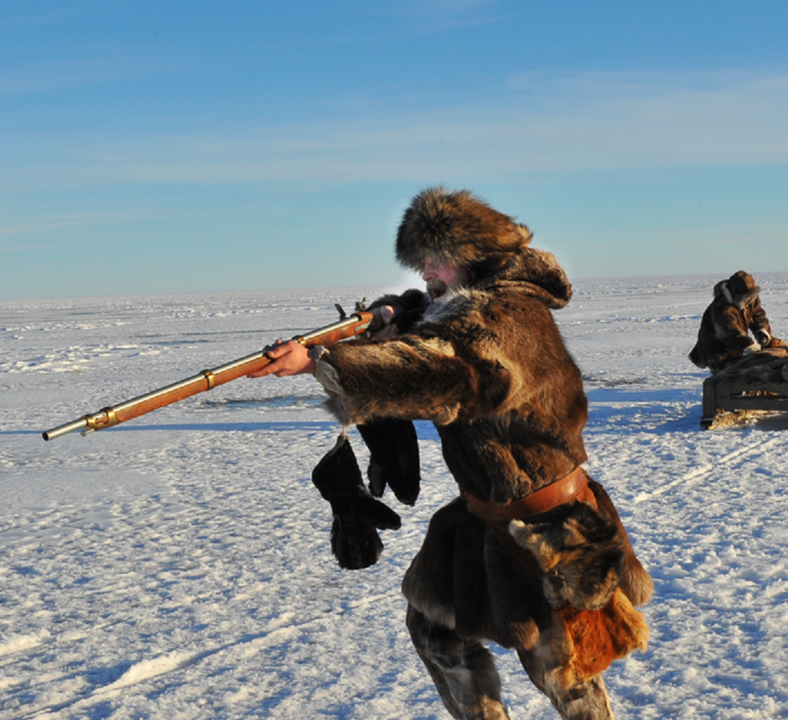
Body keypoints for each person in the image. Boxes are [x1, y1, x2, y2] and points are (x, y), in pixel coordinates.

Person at [251, 187, 652, 719]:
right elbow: (434, 328)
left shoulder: (504, 318)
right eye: (421, 263)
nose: (425, 272)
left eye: (434, 261)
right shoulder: (468, 310)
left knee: (558, 666)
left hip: (547, 527)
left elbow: (442, 370)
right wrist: (391, 320)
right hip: (485, 514)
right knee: (432, 626)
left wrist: (322, 364)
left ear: (471, 256)